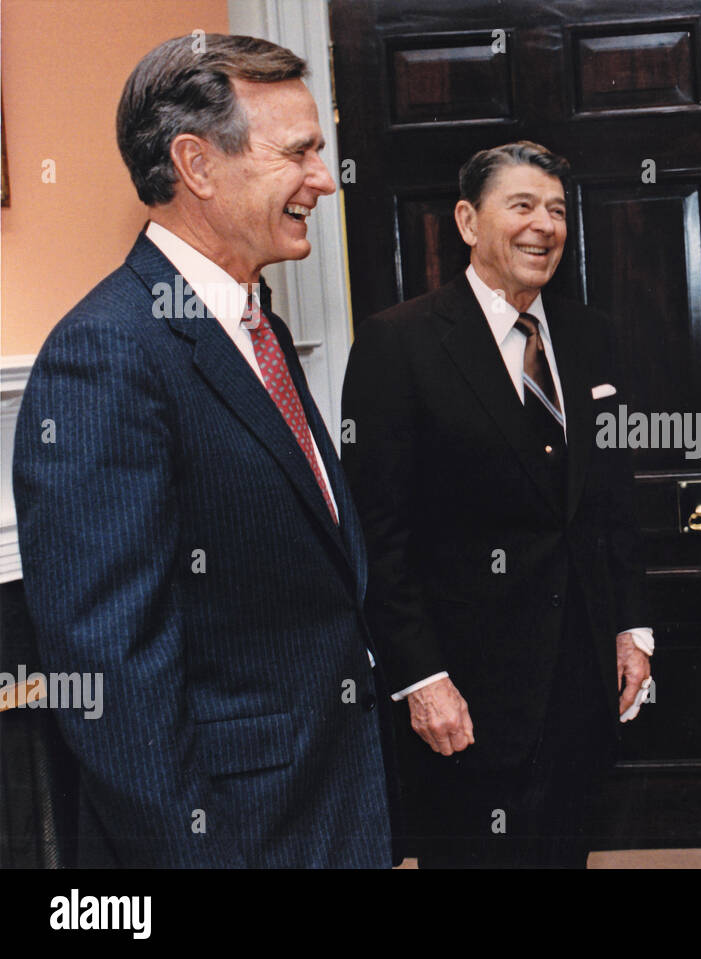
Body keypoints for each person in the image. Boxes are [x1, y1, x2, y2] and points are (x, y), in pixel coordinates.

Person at [11, 34, 395, 867]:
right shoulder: (106, 355)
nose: (324, 180)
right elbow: (112, 670)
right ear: (196, 163)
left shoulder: (262, 330)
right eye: (299, 153)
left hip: (323, 805)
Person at [341, 141, 653, 868]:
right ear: (467, 220)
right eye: (522, 205)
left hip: (579, 683)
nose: (544, 225)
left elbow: (612, 499)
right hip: (466, 694)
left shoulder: (591, 336)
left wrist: (632, 627)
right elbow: (378, 532)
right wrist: (419, 678)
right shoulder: (400, 342)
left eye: (556, 210)